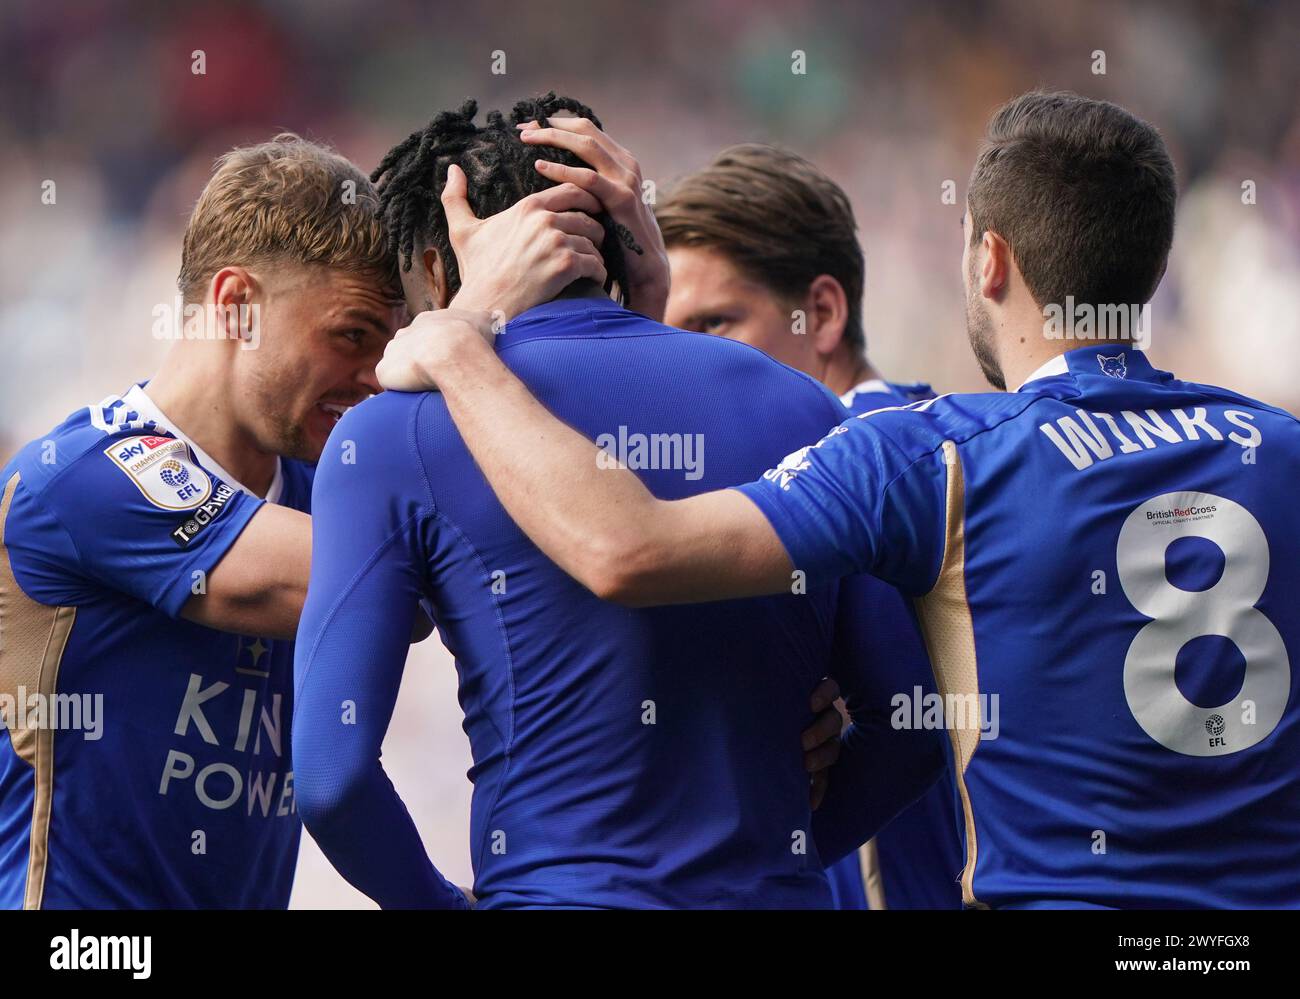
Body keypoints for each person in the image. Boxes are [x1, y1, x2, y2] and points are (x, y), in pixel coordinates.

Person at [377, 91, 1300, 908]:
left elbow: (627, 547)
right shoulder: (1281, 448)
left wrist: (460, 341)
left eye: (715, 321)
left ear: (989, 261)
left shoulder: (932, 457)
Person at [292, 94, 943, 909]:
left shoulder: (392, 434)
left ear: (433, 268)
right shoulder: (808, 408)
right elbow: (912, 729)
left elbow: (329, 779)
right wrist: (787, 859)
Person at [0, 130, 611, 909]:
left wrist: (639, 315)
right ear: (235, 306)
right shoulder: (89, 474)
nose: (376, 376)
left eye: (391, 343)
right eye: (352, 336)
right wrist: (474, 321)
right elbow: (389, 577)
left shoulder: (325, 482)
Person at [656, 142, 962, 910]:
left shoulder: (892, 476)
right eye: (668, 338)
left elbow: (910, 733)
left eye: (714, 324)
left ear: (821, 312)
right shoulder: (931, 444)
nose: (686, 366)